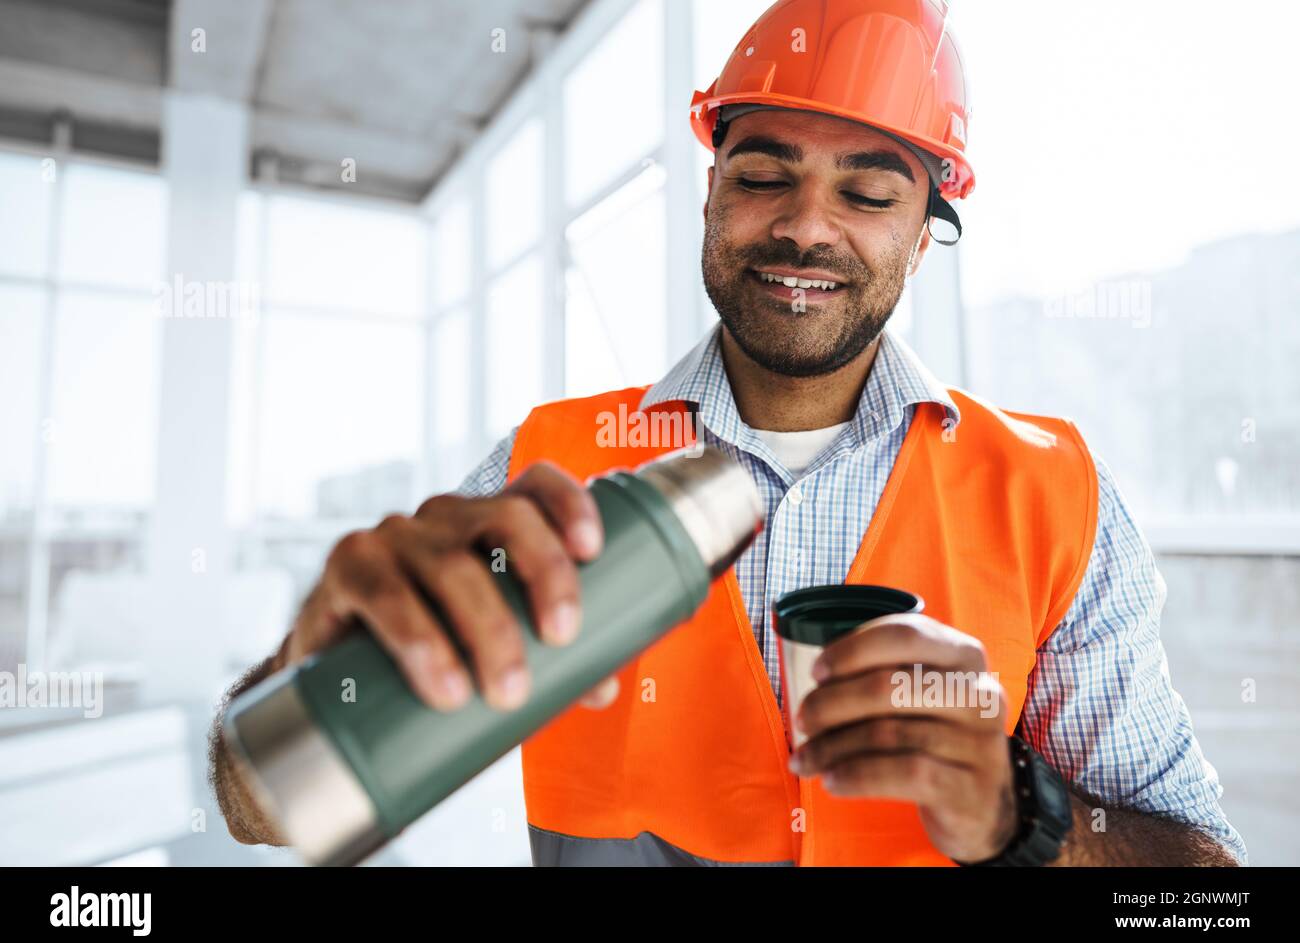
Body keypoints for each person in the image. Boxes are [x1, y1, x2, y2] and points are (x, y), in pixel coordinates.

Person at [210, 0, 1245, 866]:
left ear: (925, 234)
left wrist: (1028, 814)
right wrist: (316, 668)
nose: (804, 224)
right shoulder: (548, 465)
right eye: (761, 176)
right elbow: (263, 804)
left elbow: (1200, 889)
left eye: (869, 192)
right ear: (709, 194)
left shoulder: (1050, 493)